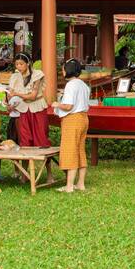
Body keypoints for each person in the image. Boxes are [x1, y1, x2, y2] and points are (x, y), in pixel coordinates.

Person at [55, 58, 91, 192]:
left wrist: (57, 104)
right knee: (80, 150)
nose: (62, 71)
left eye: (63, 68)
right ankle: (80, 184)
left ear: (67, 70)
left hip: (72, 119)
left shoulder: (71, 85)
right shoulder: (83, 84)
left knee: (70, 150)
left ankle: (69, 186)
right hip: (83, 118)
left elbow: (69, 106)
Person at [7, 52, 49, 149]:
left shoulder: (37, 74)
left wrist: (16, 94)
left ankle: (47, 163)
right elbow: (10, 94)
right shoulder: (15, 76)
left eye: (21, 64)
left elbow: (33, 96)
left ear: (28, 63)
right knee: (25, 139)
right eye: (16, 64)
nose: (18, 66)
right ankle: (25, 163)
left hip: (37, 108)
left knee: (41, 138)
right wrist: (9, 103)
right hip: (22, 109)